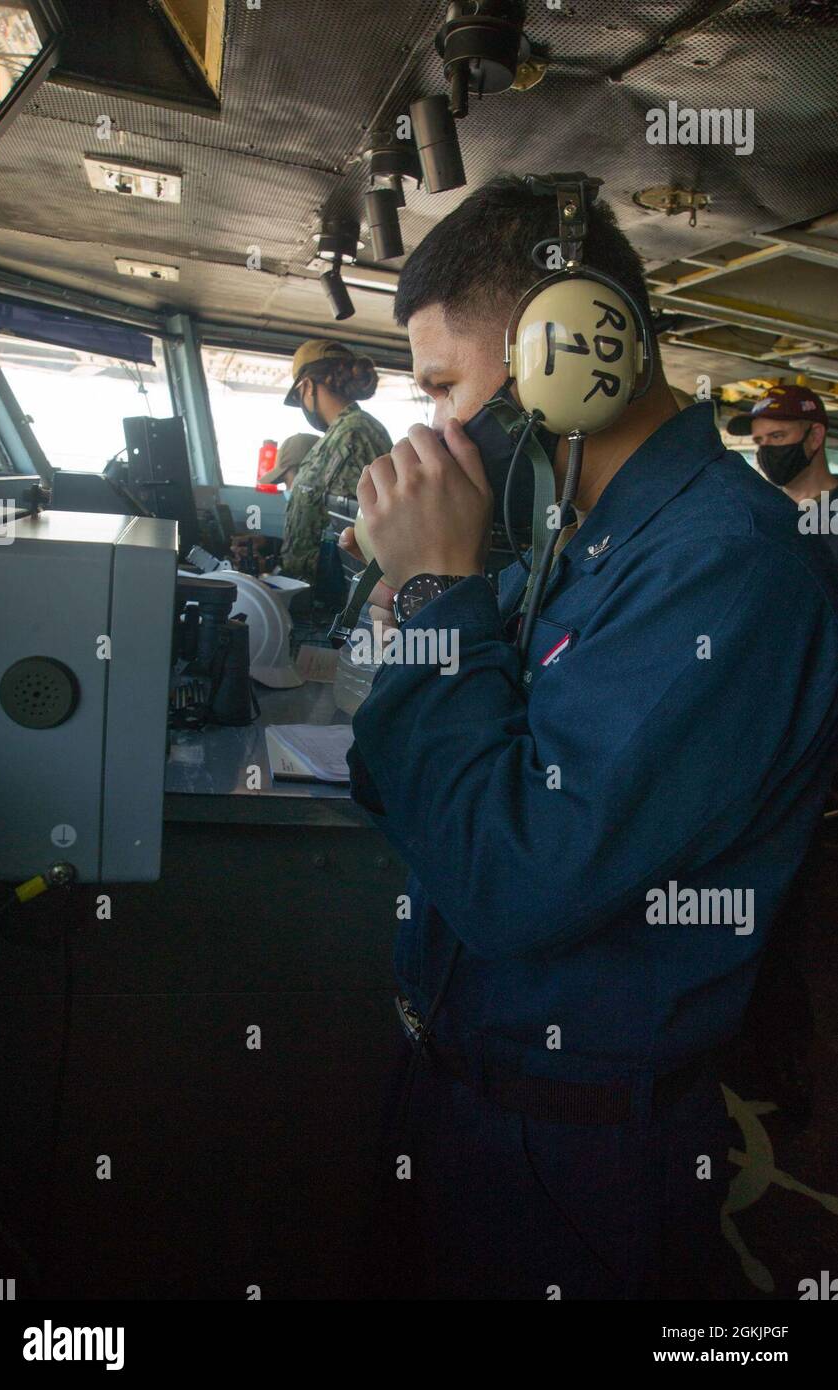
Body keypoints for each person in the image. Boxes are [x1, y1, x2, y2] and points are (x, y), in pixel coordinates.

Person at [342, 175, 838, 1300]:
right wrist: (429, 604)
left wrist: (435, 598)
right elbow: (399, 783)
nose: (435, 429)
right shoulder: (574, 543)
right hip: (463, 1089)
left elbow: (513, 880)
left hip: (569, 1154)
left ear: (568, 350)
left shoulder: (725, 570)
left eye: (444, 386)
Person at [278, 340, 392, 593]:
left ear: (308, 386)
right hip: (312, 590)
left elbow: (360, 530)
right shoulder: (341, 434)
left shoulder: (354, 434)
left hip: (332, 598)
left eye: (298, 396)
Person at [728, 383, 837, 562]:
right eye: (759, 440)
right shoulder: (759, 512)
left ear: (815, 436)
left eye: (777, 436)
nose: (766, 449)